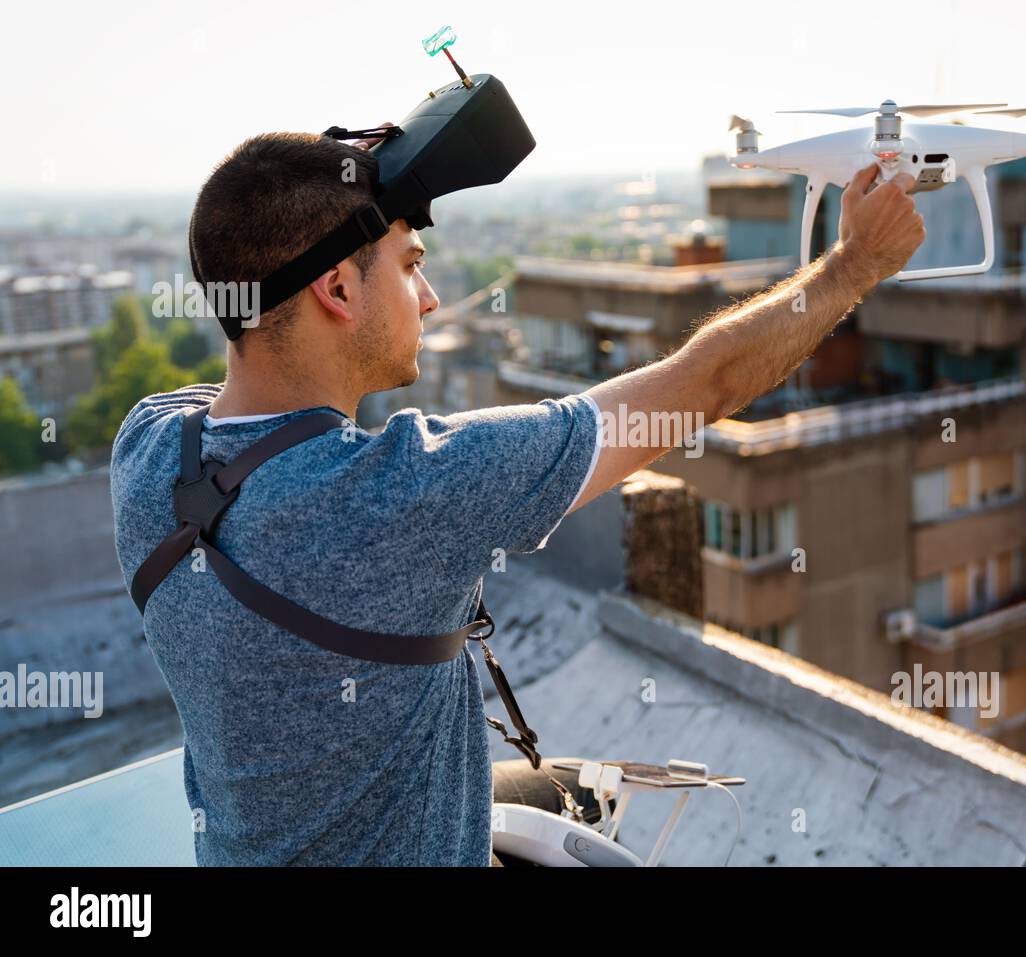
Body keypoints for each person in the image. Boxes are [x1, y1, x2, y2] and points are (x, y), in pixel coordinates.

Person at [109, 127, 924, 866]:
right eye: (411, 266)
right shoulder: (406, 494)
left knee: (550, 783)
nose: (427, 300)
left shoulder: (147, 450)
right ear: (337, 292)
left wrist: (353, 185)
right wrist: (855, 263)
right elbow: (704, 383)